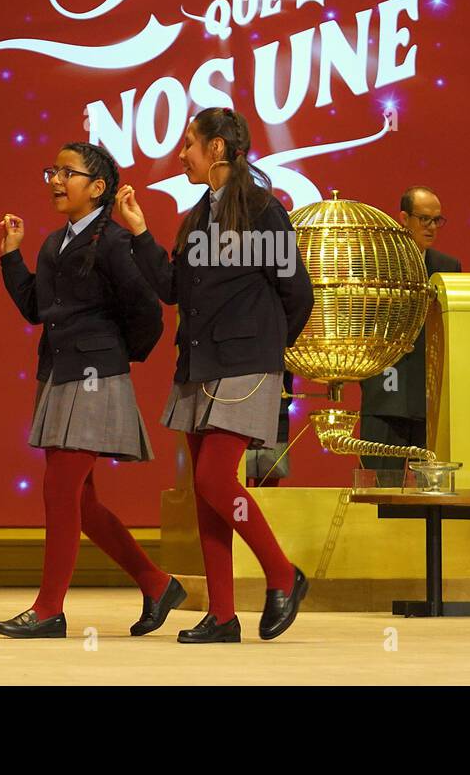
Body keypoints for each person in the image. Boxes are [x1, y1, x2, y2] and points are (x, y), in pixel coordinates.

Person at [116, 107, 315, 644]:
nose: (181, 154)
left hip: (244, 364)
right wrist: (138, 231)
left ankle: (282, 574)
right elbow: (173, 288)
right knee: (205, 493)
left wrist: (266, 349)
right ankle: (222, 614)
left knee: (213, 480)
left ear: (219, 150)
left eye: (189, 144)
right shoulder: (200, 216)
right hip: (198, 365)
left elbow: (297, 294)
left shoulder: (263, 211)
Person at [0, 142, 184, 639]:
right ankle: (157, 583)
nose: (55, 180)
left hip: (96, 375)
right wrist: (11, 256)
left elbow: (147, 312)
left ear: (98, 188)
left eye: (67, 172)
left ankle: (49, 609)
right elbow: (37, 309)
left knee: (60, 490)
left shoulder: (115, 243)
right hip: (59, 373)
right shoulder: (54, 243)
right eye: (51, 171)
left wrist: (115, 357)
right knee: (81, 503)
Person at [358, 187, 461, 475]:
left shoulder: (448, 267)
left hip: (429, 397)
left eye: (437, 221)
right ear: (404, 218)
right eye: (424, 219)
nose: (431, 228)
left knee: (429, 493)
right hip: (384, 393)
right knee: (379, 489)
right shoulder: (377, 262)